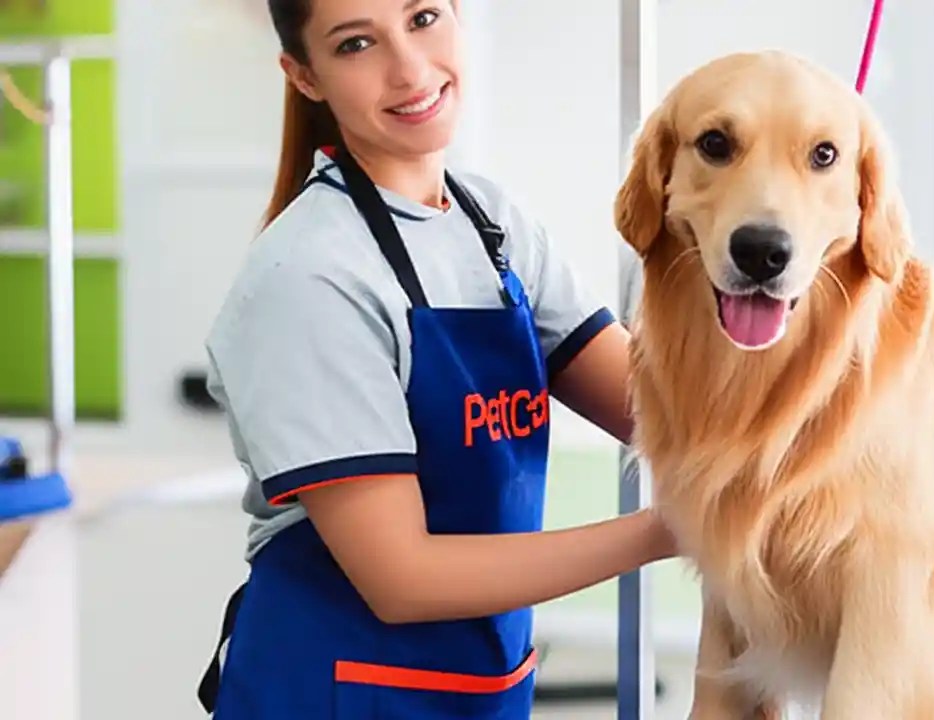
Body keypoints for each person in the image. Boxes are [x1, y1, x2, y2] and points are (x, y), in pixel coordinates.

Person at [195, 1, 677, 717]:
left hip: (476, 686)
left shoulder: (492, 226)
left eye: (423, 18)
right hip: (337, 692)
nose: (411, 68)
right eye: (357, 44)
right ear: (304, 76)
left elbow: (660, 414)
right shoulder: (309, 275)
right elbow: (403, 578)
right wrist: (668, 531)